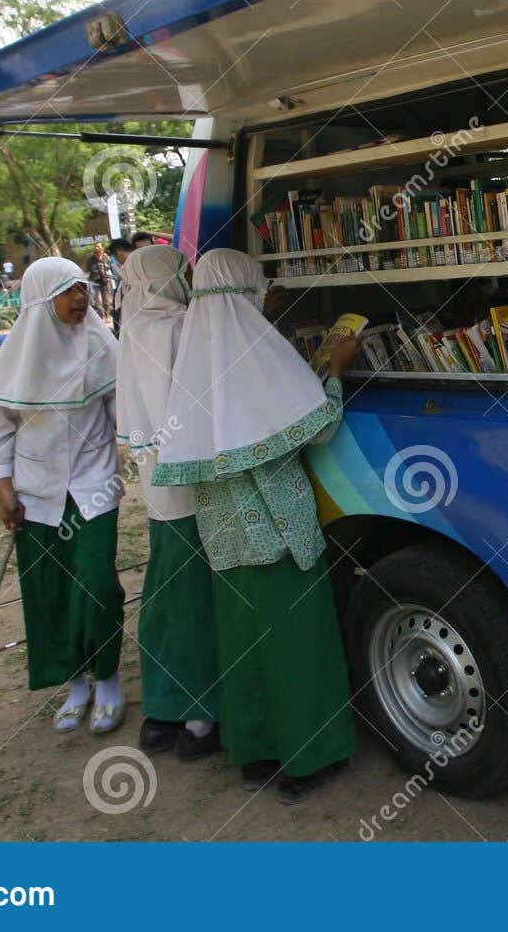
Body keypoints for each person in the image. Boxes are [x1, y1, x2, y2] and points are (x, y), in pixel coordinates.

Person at [152, 249, 360, 805]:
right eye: (260, 286)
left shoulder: (193, 354)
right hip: (279, 528)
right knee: (297, 642)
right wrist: (337, 369)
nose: (267, 296)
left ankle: (256, 756)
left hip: (224, 536)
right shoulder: (256, 346)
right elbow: (318, 426)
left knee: (244, 646)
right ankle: (307, 758)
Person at [0, 256, 127, 735]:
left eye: (82, 288)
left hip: (93, 485)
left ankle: (108, 677)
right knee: (51, 590)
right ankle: (75, 682)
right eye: (68, 291)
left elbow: (125, 410)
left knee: (97, 584)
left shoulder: (102, 347)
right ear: (41, 299)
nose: (81, 298)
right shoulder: (15, 359)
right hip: (36, 493)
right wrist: (3, 486)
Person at [115, 245, 223, 760]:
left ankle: (162, 710)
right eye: (184, 273)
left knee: (165, 592)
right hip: (195, 483)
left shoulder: (131, 330)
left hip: (157, 484)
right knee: (194, 598)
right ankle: (199, 717)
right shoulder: (184, 327)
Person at [86, 242, 113, 319]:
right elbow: (87, 270)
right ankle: (102, 317)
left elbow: (110, 267)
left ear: (102, 249)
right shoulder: (91, 259)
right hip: (95, 282)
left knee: (107, 301)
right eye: (96, 247)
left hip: (105, 281)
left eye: (99, 247)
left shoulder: (106, 257)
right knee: (98, 301)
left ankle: (107, 315)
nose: (97, 248)